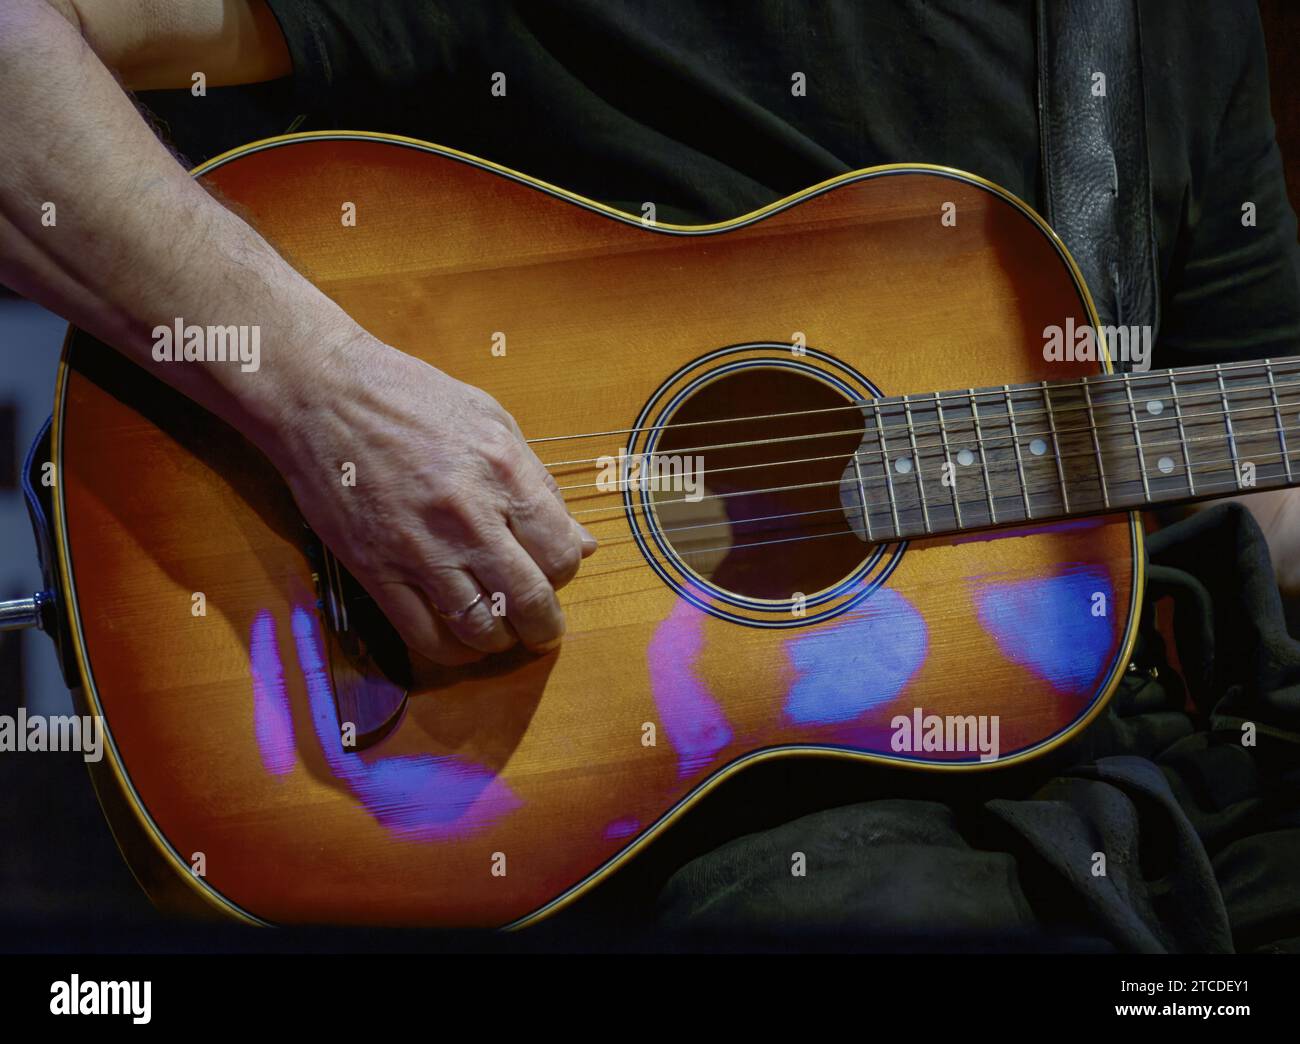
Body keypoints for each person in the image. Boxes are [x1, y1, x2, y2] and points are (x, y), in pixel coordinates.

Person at [2, 0, 1299, 950]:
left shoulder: (1167, 32)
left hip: (1119, 735)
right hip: (686, 814)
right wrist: (324, 393)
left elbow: (1249, 467)